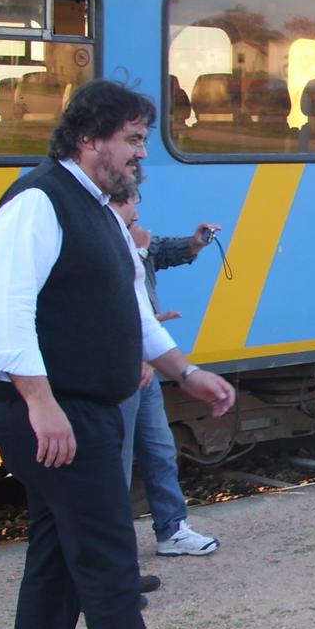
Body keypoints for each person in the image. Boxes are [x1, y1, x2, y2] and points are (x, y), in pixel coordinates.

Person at [0, 79, 236, 629]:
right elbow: (3, 316)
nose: (139, 154)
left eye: (141, 140)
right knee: (108, 560)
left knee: (57, 558)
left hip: (83, 408)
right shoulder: (37, 203)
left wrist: (187, 372)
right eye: (131, 139)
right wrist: (42, 404)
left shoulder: (98, 209)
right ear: (89, 137)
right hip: (59, 415)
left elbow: (133, 308)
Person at [108, 184, 222, 557]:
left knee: (160, 450)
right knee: (117, 464)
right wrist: (139, 251)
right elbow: (119, 300)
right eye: (129, 203)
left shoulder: (136, 238)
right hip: (118, 369)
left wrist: (195, 243)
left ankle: (172, 529)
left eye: (136, 202)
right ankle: (113, 547)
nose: (136, 213)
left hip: (146, 366)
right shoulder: (101, 242)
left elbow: (163, 249)